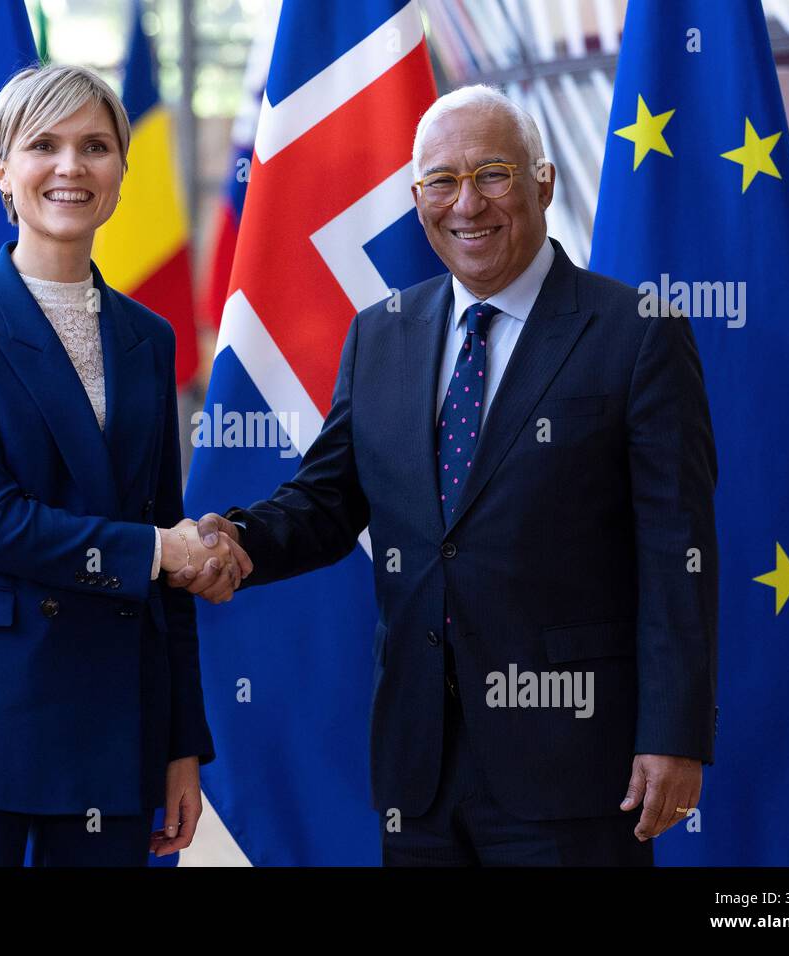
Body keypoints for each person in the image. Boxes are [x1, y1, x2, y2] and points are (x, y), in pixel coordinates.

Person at [175, 85, 718, 866]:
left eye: (493, 174)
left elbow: (679, 553)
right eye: (441, 181)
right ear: (415, 197)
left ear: (543, 183)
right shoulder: (382, 333)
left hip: (576, 763)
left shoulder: (635, 335)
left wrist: (674, 734)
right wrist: (238, 540)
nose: (467, 204)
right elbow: (327, 501)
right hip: (419, 766)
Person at [0, 64, 234, 866]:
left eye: (95, 146)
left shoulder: (151, 338)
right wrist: (156, 551)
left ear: (119, 173)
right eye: (43, 144)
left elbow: (170, 553)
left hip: (111, 725)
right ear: (2, 169)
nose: (71, 166)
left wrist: (181, 743)